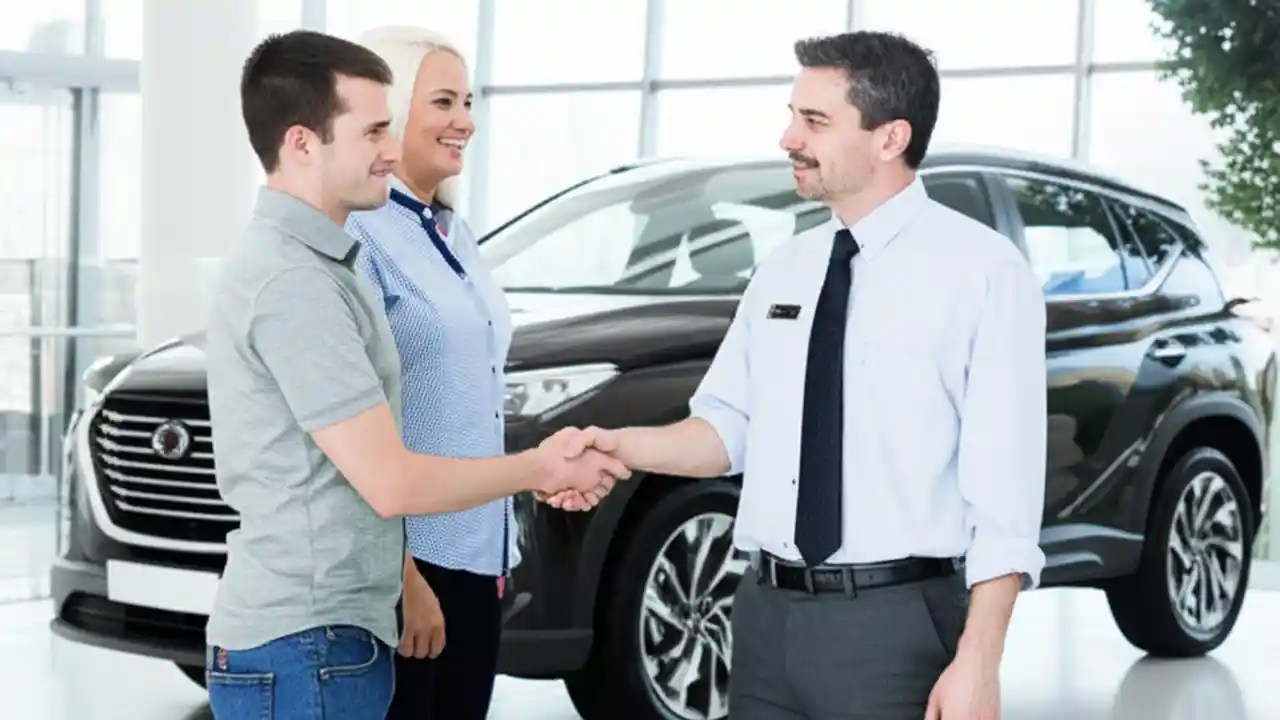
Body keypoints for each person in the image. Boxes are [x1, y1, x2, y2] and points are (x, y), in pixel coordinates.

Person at [553, 30, 1047, 719]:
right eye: (793, 114)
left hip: (893, 624)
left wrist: (980, 661)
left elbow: (1006, 499)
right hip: (760, 615)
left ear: (890, 137)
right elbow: (728, 429)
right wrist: (620, 445)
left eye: (814, 120)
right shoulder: (787, 267)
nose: (789, 137)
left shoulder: (984, 274)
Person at [203, 30, 625, 719]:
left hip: (345, 623)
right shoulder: (296, 280)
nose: (391, 149)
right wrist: (539, 469)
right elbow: (391, 477)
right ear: (304, 143)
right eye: (374, 129)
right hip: (314, 634)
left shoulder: (335, 257)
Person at [343, 26, 537, 719]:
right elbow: (351, 425)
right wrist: (403, 576)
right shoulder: (359, 234)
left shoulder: (454, 232)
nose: (466, 122)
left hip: (478, 560)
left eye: (469, 102)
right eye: (445, 102)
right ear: (390, 112)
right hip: (413, 567)